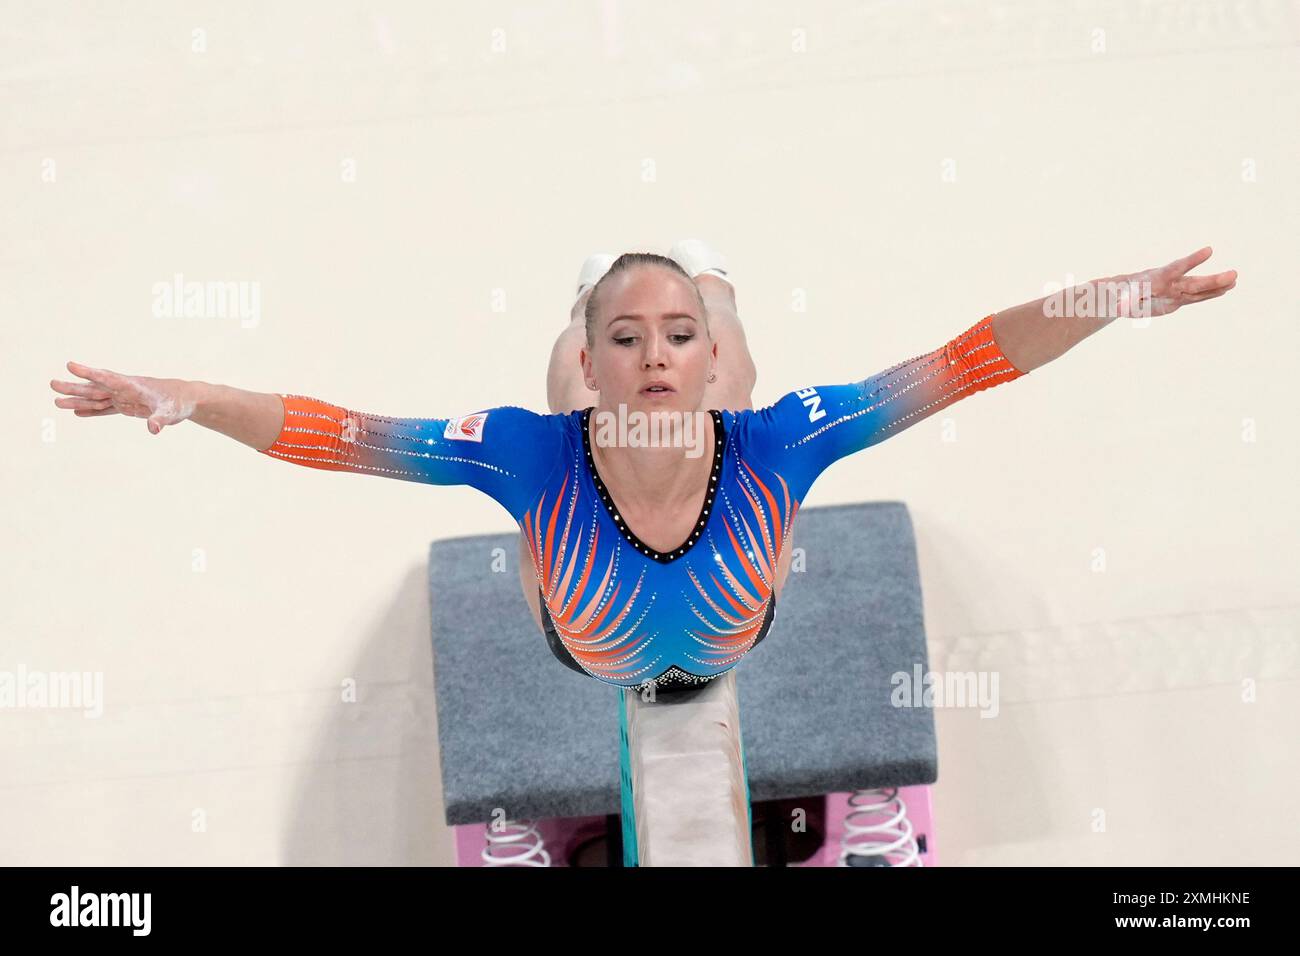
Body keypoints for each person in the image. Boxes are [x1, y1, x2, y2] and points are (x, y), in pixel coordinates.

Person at [49, 241, 1237, 691]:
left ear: (700, 357)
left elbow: (968, 360)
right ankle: (658, 277)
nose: (656, 359)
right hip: (584, 647)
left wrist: (1109, 297)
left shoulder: (782, 437)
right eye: (626, 338)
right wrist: (193, 397)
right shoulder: (527, 450)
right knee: (568, 415)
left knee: (744, 388)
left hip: (731, 626)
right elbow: (337, 433)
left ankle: (706, 271)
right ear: (595, 350)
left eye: (678, 337)